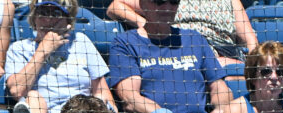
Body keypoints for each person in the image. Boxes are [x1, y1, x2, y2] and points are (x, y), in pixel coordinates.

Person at [107, 0, 256, 113]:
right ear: (144, 3)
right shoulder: (125, 42)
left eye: (173, 2)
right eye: (159, 2)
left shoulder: (194, 39)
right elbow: (130, 100)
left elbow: (219, 87)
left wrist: (222, 109)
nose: (167, 8)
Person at [4, 0, 118, 113]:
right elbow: (17, 91)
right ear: (34, 18)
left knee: (98, 101)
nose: (48, 19)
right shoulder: (19, 49)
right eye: (43, 13)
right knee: (33, 97)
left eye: (56, 13)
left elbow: (101, 90)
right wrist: (43, 51)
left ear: (68, 20)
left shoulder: (81, 42)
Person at [106, 0, 257, 65]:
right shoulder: (170, 1)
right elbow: (115, 7)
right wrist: (146, 23)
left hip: (226, 54)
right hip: (184, 53)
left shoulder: (230, 1)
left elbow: (250, 40)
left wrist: (254, 66)